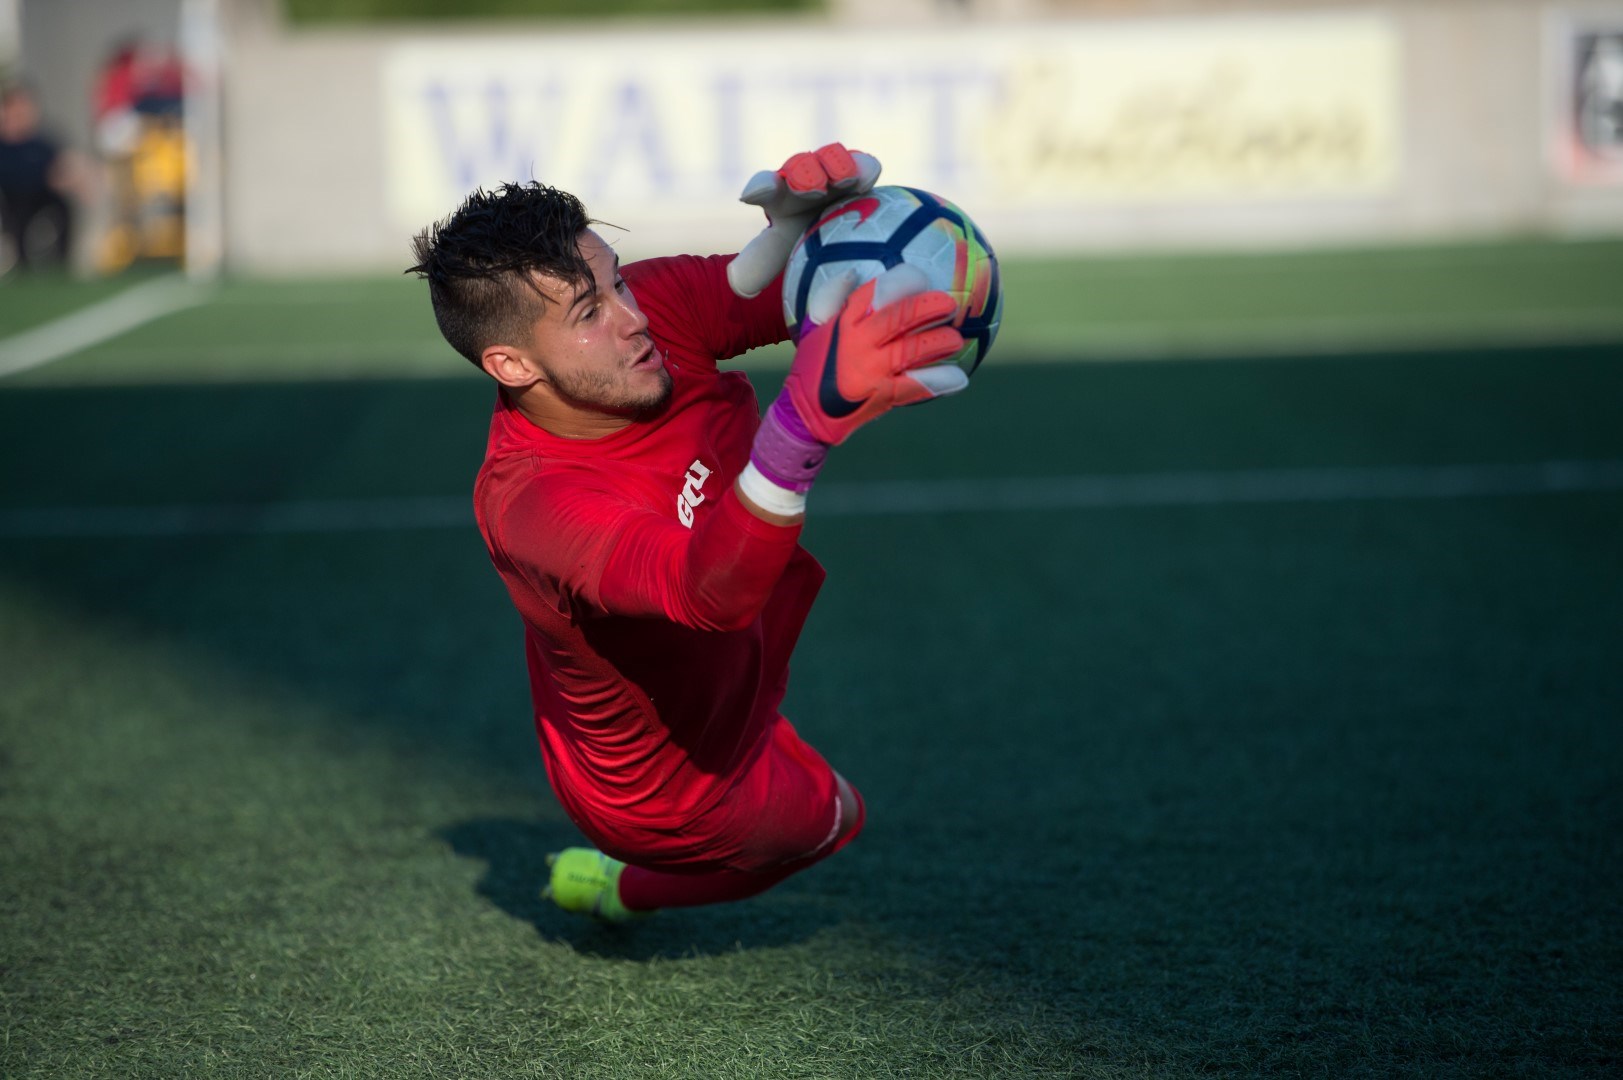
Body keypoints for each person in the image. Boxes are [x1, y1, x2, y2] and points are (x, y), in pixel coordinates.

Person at [408, 144, 969, 922]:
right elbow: (708, 595)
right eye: (588, 313)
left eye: (617, 281)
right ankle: (616, 889)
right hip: (667, 792)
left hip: (732, 683)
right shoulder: (533, 505)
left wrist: (815, 236)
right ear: (510, 365)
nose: (633, 319)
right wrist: (801, 427)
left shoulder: (641, 321)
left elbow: (771, 298)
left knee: (768, 730)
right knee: (836, 821)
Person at [0, 81, 84, 273]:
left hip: (40, 195)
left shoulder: (42, 143)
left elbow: (62, 167)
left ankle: (61, 262)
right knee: (16, 221)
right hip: (11, 199)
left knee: (63, 207)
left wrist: (72, 180)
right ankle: (22, 267)